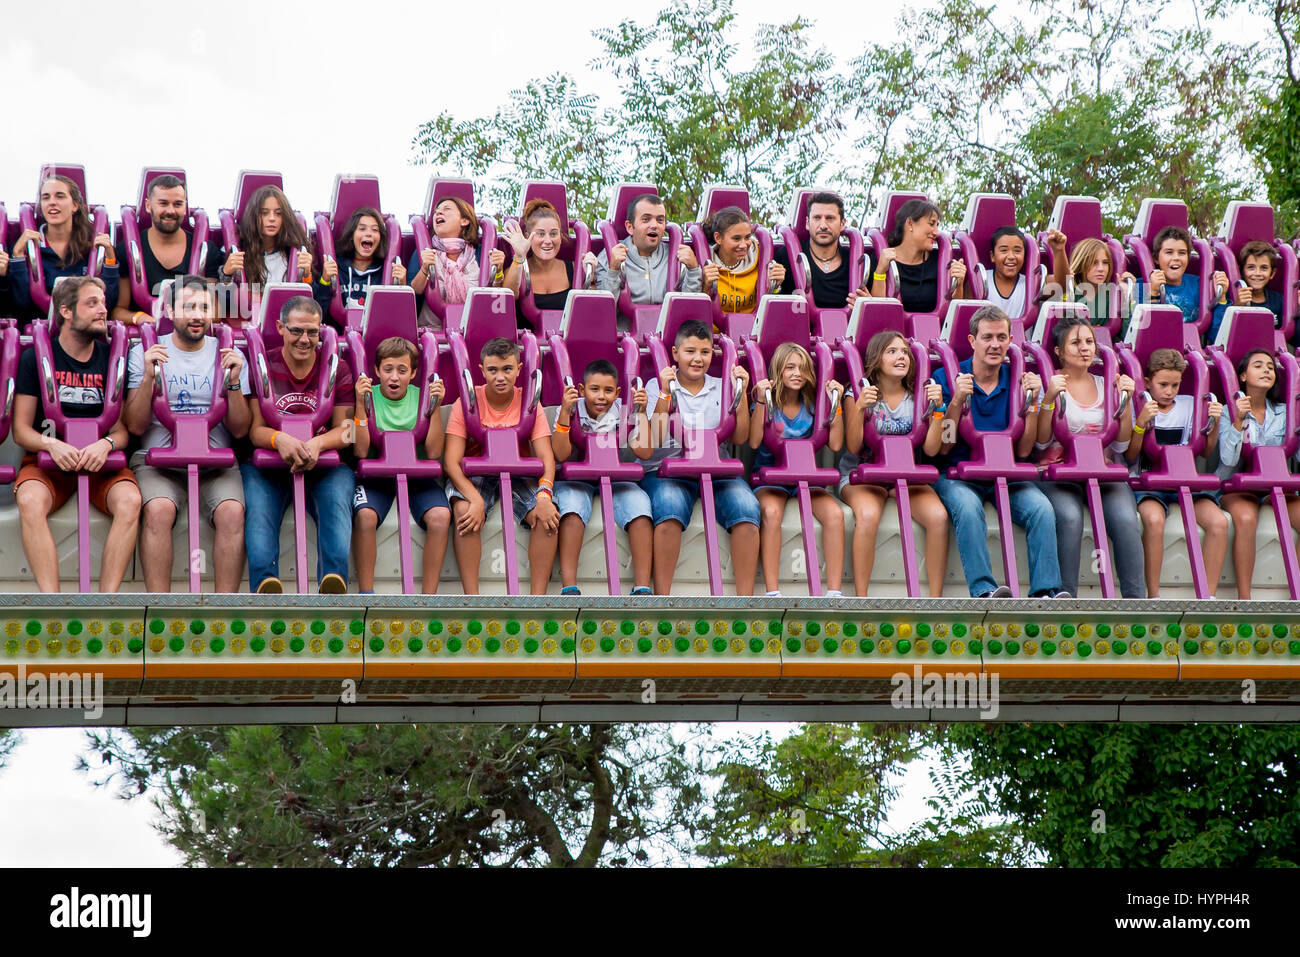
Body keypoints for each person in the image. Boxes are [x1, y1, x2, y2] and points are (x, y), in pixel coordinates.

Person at [11, 277, 141, 592]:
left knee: (130, 500)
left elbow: (121, 431)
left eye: (103, 303)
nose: (103, 310)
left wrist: (105, 445)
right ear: (66, 311)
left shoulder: (112, 358)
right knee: (29, 499)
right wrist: (51, 444)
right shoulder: (36, 359)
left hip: (100, 462)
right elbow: (20, 430)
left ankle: (106, 601)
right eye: (92, 303)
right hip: (49, 460)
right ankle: (52, 602)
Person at [122, 275, 251, 592]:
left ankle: (224, 613)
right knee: (158, 509)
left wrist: (234, 382)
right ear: (168, 309)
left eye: (204, 307)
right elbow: (135, 426)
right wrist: (149, 380)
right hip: (159, 463)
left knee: (232, 511)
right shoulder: (146, 352)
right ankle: (159, 609)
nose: (196, 315)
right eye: (188, 307)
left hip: (215, 463)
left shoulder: (229, 353)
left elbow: (240, 428)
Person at [928, 305, 1066, 599]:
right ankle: (984, 590)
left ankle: (1045, 593)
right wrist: (956, 403)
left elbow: (1025, 448)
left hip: (1007, 473)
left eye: (1002, 337)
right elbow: (944, 446)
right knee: (967, 508)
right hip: (957, 472)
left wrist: (1031, 403)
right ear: (972, 341)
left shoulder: (1016, 376)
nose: (995, 345)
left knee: (1041, 508)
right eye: (988, 337)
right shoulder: (947, 376)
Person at [241, 296, 355, 594]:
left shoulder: (337, 368)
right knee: (259, 511)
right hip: (270, 461)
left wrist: (317, 444)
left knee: (336, 504)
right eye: (296, 331)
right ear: (280, 327)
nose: (305, 340)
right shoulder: (264, 365)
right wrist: (281, 440)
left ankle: (334, 582)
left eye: (312, 332)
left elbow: (348, 431)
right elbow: (255, 430)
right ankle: (265, 583)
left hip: (325, 463)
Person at [642, 319, 759, 595]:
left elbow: (740, 438)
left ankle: (745, 601)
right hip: (667, 470)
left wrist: (741, 391)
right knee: (669, 506)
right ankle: (663, 598)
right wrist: (664, 393)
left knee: (747, 507)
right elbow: (654, 438)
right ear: (675, 353)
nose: (698, 359)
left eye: (705, 352)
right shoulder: (655, 385)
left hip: (715, 471)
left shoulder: (722, 386)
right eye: (690, 351)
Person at [1033, 314, 1146, 598]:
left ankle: (1137, 603)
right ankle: (1066, 597)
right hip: (1058, 472)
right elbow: (1042, 441)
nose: (1085, 348)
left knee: (1125, 519)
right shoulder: (1050, 384)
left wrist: (1126, 402)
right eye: (1075, 343)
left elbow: (1120, 447)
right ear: (1058, 352)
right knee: (1070, 517)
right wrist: (1047, 401)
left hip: (1103, 470)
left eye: (1089, 342)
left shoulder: (1107, 382)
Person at [444, 337, 560, 594]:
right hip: (476, 473)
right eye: (493, 370)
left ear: (519, 370)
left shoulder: (530, 403)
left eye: (507, 369)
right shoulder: (466, 402)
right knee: (465, 513)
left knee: (547, 518)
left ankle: (537, 600)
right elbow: (451, 462)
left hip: (519, 473)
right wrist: (474, 500)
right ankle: (471, 599)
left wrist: (544, 496)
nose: (500, 377)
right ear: (482, 370)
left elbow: (546, 459)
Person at [839, 330, 950, 597]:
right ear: (876, 359)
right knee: (867, 516)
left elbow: (935, 448)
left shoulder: (919, 397)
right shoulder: (856, 392)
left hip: (906, 476)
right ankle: (861, 599)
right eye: (892, 352)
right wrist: (858, 408)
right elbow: (853, 446)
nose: (901, 356)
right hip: (863, 476)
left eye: (904, 352)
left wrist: (939, 409)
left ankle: (935, 600)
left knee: (938, 517)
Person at [351, 336, 450, 594]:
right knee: (365, 516)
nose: (394, 377)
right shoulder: (368, 396)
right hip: (377, 474)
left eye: (402, 371)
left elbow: (434, 451)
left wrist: (436, 407)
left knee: (441, 516)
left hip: (416, 475)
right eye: (388, 370)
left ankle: (429, 597)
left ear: (414, 373)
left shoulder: (421, 398)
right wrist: (360, 407)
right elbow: (360, 450)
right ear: (376, 371)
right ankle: (366, 594)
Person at [1125, 349, 1227, 598]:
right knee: (1153, 520)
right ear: (1148, 382)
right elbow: (1130, 455)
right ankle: (1154, 595)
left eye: (1175, 385)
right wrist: (1140, 423)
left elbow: (1204, 452)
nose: (1169, 391)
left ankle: (1207, 596)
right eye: (1162, 385)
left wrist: (1213, 425)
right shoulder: (1138, 404)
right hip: (1147, 485)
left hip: (1186, 482)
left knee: (1219, 522)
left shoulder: (1189, 405)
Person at [550, 359, 655, 596]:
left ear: (617, 392)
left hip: (615, 476)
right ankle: (569, 586)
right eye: (594, 389)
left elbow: (645, 452)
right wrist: (565, 414)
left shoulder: (624, 410)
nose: (601, 397)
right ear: (581, 389)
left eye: (608, 391)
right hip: (577, 476)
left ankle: (642, 587)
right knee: (572, 510)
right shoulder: (569, 407)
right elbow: (560, 453)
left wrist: (640, 413)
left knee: (640, 508)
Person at [748, 342, 845, 596]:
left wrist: (837, 403)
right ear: (778, 371)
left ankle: (834, 591)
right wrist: (760, 401)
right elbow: (755, 441)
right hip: (772, 477)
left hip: (808, 479)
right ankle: (772, 590)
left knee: (835, 514)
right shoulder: (769, 401)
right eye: (790, 367)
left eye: (802, 368)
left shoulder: (814, 404)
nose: (797, 373)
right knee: (770, 513)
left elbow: (835, 444)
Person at [1215, 349, 1300, 599]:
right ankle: (1245, 597)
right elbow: (1228, 460)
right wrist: (1238, 421)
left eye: (1270, 367)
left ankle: (1296, 596)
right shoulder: (1226, 410)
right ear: (1242, 375)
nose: (1266, 370)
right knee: (1246, 519)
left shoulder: (1287, 412)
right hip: (1238, 485)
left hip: (1277, 485)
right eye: (1258, 366)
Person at [1, 175, 118, 324]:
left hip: (84, 327)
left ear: (75, 205)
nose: (52, 203)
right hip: (38, 326)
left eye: (60, 196)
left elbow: (109, 302)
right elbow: (22, 303)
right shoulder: (28, 247)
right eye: (46, 197)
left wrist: (110, 262)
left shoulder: (94, 247)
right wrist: (17, 258)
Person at [113, 174, 221, 326]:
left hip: (190, 334)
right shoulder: (127, 250)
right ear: (148, 205)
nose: (170, 211)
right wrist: (140, 318)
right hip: (144, 337)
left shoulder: (206, 251)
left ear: (185, 207)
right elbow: (117, 311)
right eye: (163, 203)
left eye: (177, 204)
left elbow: (214, 313)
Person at [407, 196, 504, 323]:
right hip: (432, 333)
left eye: (446, 209)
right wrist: (425, 269)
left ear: (464, 220)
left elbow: (496, 297)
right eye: (436, 211)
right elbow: (413, 292)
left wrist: (499, 270)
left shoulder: (481, 253)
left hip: (475, 328)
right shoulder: (425, 252)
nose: (438, 212)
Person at [595, 193, 703, 306]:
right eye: (646, 219)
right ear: (630, 227)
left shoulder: (677, 257)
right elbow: (603, 308)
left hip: (668, 322)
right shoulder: (609, 255)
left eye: (660, 220)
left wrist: (694, 270)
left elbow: (689, 307)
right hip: (626, 322)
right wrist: (613, 270)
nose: (654, 225)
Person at [775, 190, 875, 311]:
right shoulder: (786, 257)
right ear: (807, 223)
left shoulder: (858, 263)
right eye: (817, 218)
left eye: (830, 218)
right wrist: (774, 285)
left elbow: (874, 311)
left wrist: (868, 304)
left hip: (848, 329)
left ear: (842, 224)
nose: (823, 225)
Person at [313, 206, 407, 327]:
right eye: (362, 229)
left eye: (375, 230)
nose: (368, 234)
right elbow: (319, 316)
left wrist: (402, 288)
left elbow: (398, 320)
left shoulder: (387, 273)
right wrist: (325, 281)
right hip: (339, 338)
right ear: (352, 235)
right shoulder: (335, 267)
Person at [209, 184, 313, 292]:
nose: (272, 218)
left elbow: (308, 303)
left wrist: (307, 275)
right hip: (246, 308)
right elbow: (224, 302)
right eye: (264, 213)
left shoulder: (295, 253)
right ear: (253, 216)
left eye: (278, 213)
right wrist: (226, 274)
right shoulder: (235, 250)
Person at [870, 199, 967, 312]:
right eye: (931, 224)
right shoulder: (882, 258)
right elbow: (879, 309)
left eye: (937, 226)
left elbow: (951, 313)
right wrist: (880, 271)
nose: (936, 232)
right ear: (910, 224)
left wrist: (959, 284)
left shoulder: (941, 261)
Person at [500, 199, 584, 329]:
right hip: (525, 346)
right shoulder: (516, 268)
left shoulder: (574, 269)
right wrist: (519, 256)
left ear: (560, 237)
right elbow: (508, 296)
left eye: (553, 234)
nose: (548, 240)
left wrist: (591, 271)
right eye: (540, 234)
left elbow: (590, 307)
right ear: (528, 237)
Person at [701, 206, 785, 316]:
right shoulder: (705, 262)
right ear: (718, 238)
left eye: (747, 237)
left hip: (753, 329)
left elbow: (771, 311)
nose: (743, 245)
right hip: (714, 331)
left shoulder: (762, 260)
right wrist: (705, 287)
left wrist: (775, 285)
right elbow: (695, 312)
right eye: (736, 238)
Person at [1144, 225, 1228, 327]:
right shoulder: (1140, 285)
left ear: (1188, 258)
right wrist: (1153, 293)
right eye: (1169, 252)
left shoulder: (1201, 285)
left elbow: (1217, 335)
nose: (1176, 258)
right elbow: (1130, 329)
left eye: (1182, 253)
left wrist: (1222, 297)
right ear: (1156, 258)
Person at [1209, 240, 1286, 343]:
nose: (1257, 273)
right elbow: (1216, 336)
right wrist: (1236, 307)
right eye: (1251, 267)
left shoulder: (1279, 301)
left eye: (1263, 268)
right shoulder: (1230, 297)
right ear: (1242, 271)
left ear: (1272, 273)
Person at [983, 226, 1065, 316]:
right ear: (993, 256)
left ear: (1024, 256)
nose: (1011, 256)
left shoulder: (1032, 283)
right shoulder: (982, 280)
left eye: (1017, 251)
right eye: (1004, 250)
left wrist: (1059, 251)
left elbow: (1062, 286)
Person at [1057, 236, 1135, 329]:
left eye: (1105, 262)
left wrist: (1127, 298)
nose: (1101, 269)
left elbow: (1127, 337)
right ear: (1081, 263)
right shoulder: (1070, 292)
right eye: (1094, 262)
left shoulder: (1113, 296)